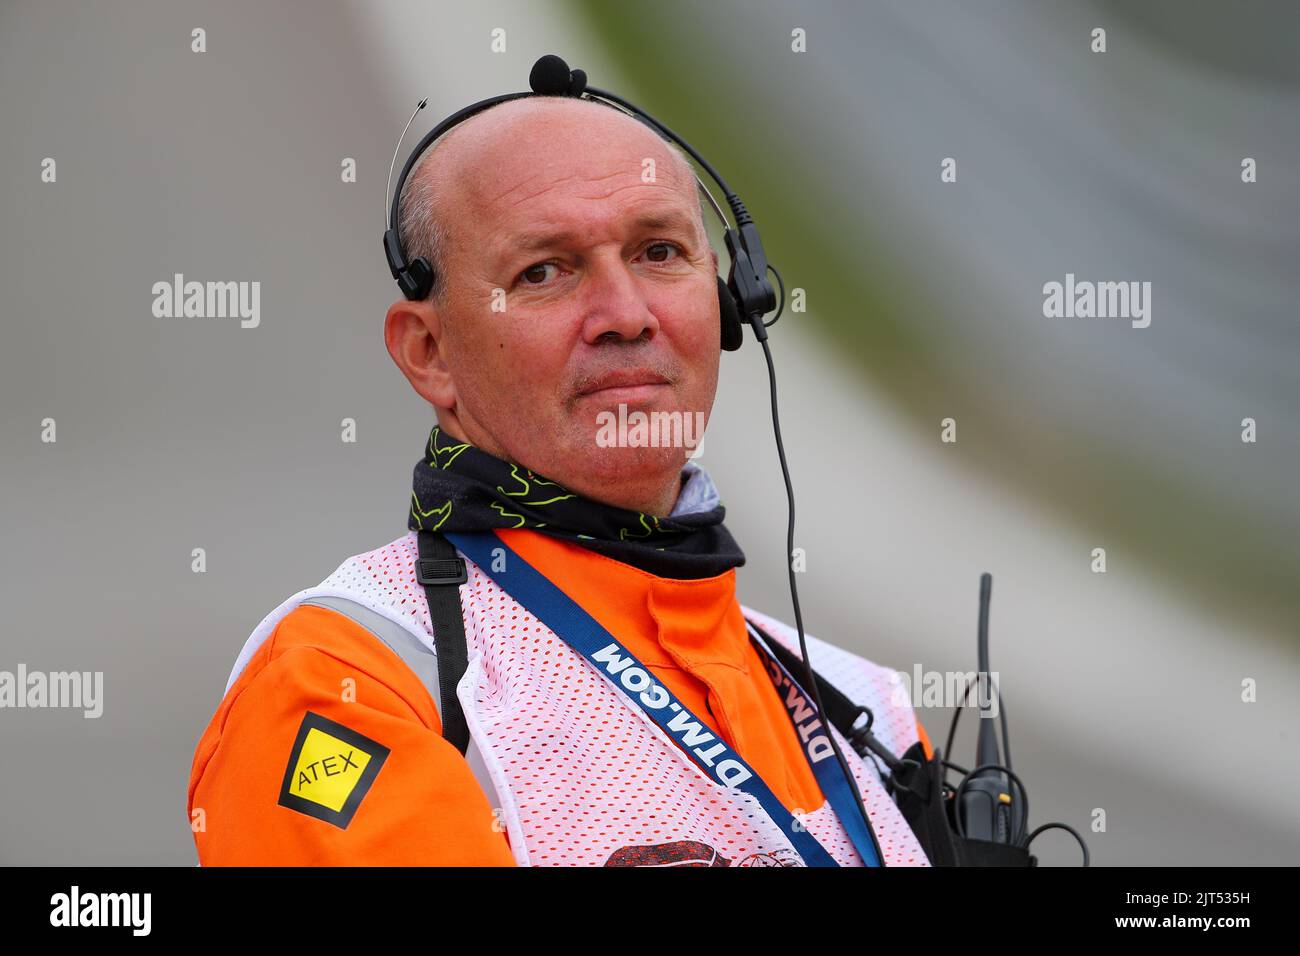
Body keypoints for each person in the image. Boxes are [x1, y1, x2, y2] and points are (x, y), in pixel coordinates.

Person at [187, 88, 934, 867]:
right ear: (430, 354)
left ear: (731, 299)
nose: (626, 313)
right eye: (544, 270)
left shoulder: (869, 709)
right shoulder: (349, 682)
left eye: (659, 252)